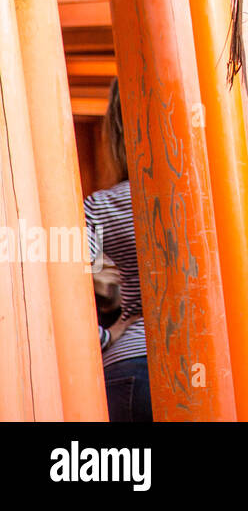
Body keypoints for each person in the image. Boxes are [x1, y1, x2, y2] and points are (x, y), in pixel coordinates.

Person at [83, 78, 151, 422]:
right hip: (209, 364)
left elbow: (62, 293)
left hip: (127, 367)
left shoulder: (98, 205)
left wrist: (107, 336)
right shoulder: (219, 196)